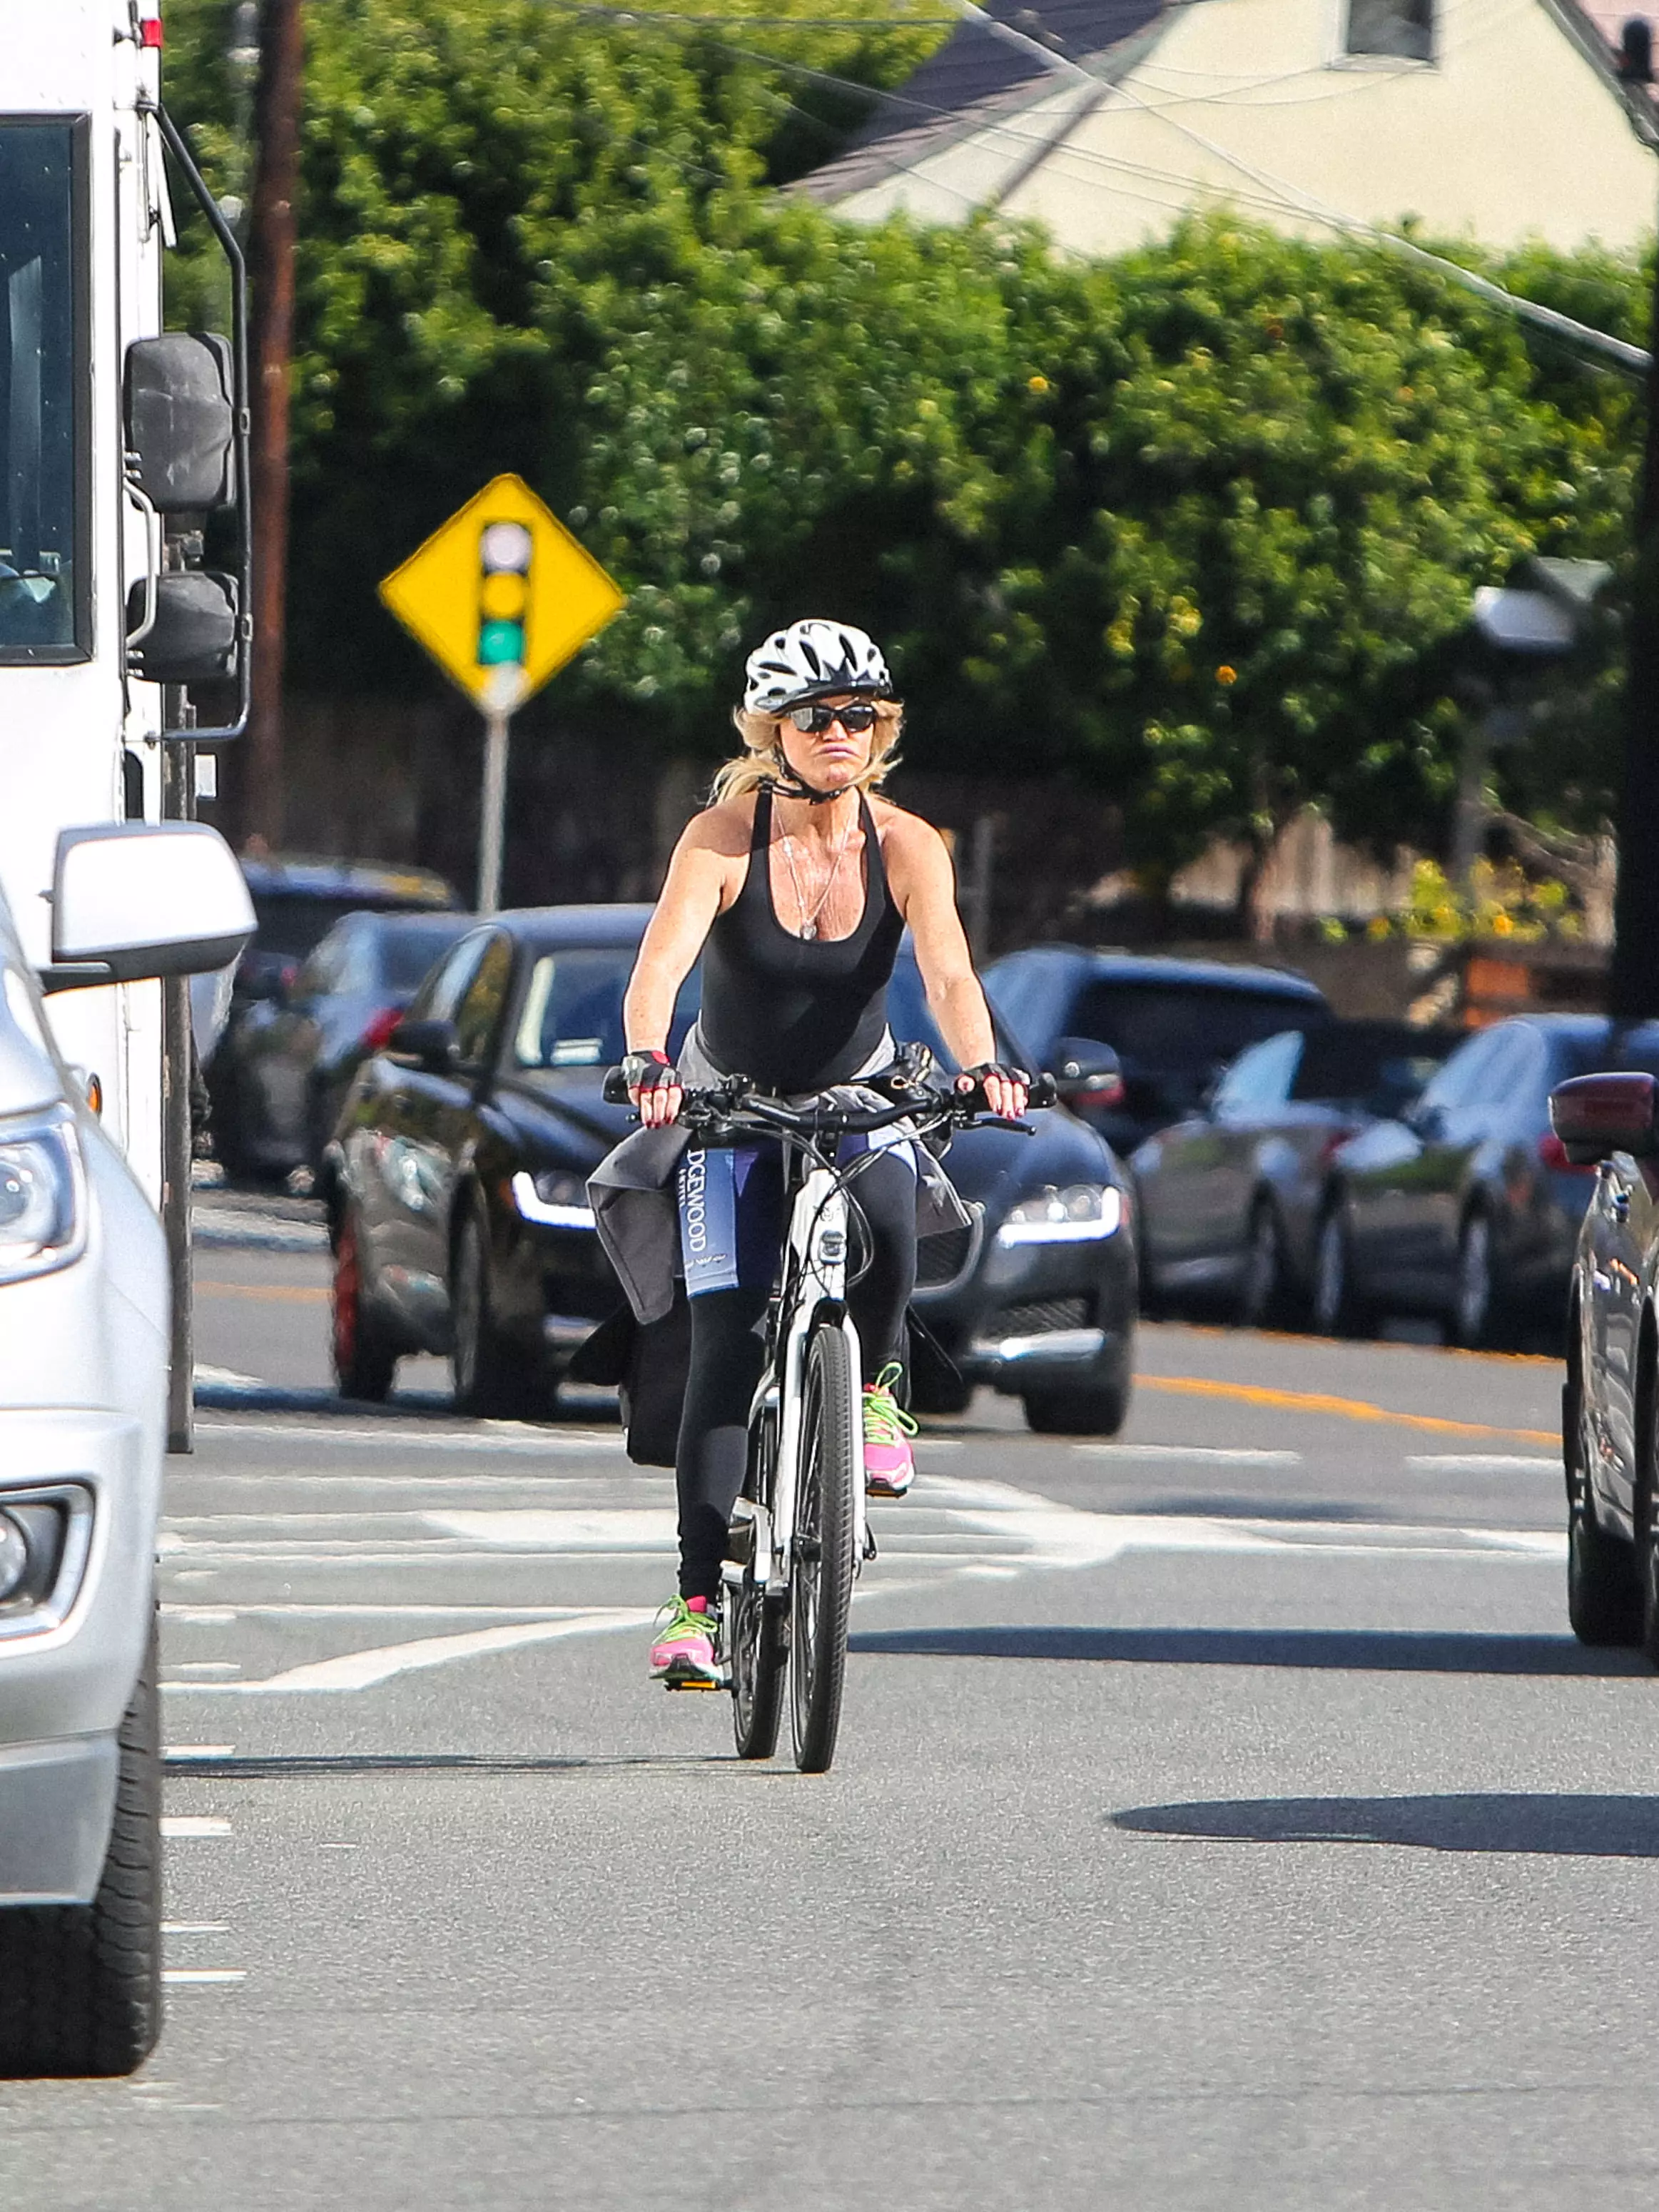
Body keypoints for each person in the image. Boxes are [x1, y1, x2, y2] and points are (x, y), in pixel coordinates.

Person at [614, 619, 1028, 1687]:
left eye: (861, 716)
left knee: (894, 1219)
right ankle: (699, 1601)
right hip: (730, 1101)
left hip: (857, 1091)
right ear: (772, 732)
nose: (840, 733)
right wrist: (649, 1058)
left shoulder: (908, 844)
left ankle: (878, 1391)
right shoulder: (718, 836)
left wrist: (982, 1065)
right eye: (815, 719)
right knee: (725, 1332)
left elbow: (947, 975)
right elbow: (659, 966)